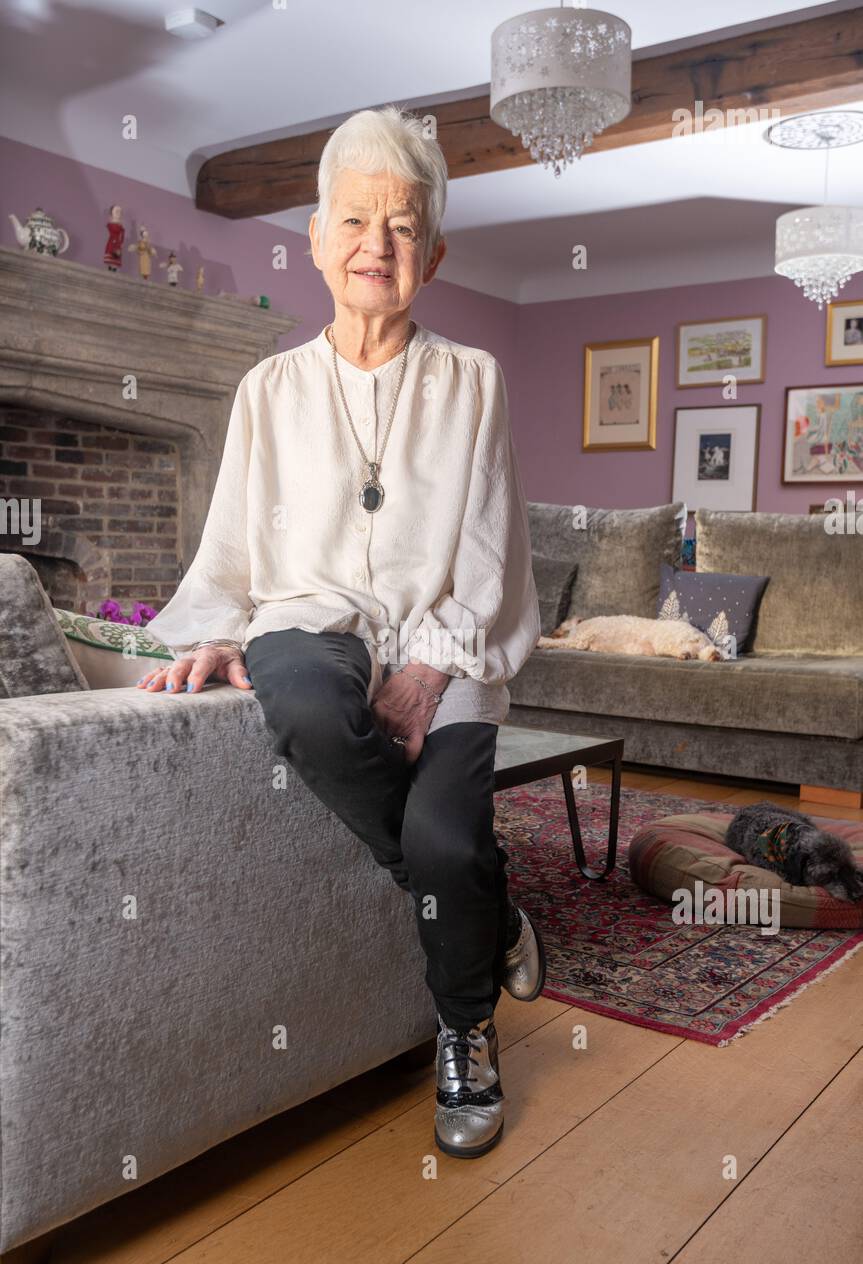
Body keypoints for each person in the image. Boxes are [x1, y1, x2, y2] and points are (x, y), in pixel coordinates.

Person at [139, 105, 543, 1158]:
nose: (377, 245)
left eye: (403, 227)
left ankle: (463, 1029)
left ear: (434, 254)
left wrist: (422, 667)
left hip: (448, 643)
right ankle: (480, 912)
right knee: (313, 708)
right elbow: (231, 541)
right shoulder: (269, 389)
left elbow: (491, 559)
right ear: (316, 239)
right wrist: (219, 630)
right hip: (306, 623)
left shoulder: (473, 382)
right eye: (355, 222)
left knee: (446, 836)